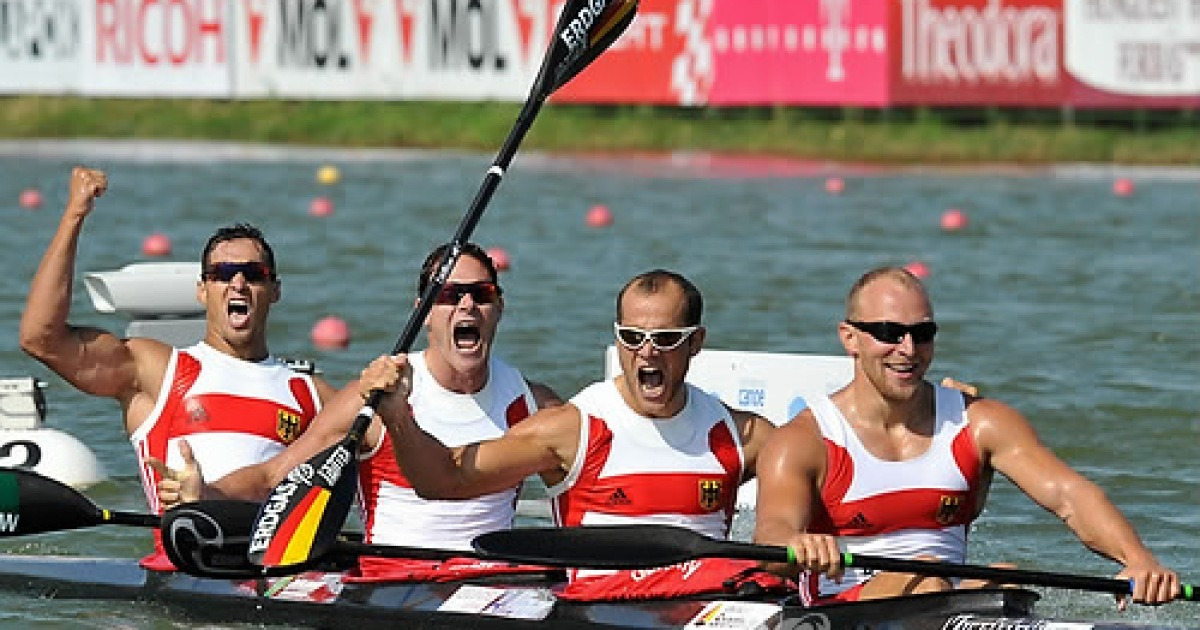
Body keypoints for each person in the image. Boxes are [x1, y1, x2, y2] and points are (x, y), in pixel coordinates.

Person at [752, 266, 1181, 608]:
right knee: (924, 573)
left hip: (944, 597)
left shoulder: (980, 422)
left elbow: (1069, 496)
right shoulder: (804, 440)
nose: (908, 349)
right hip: (841, 606)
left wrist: (1138, 560)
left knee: (1005, 578)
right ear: (849, 338)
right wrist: (797, 544)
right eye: (888, 333)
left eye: (923, 334)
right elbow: (771, 536)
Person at [363, 269, 789, 600]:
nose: (647, 352)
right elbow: (443, 479)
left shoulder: (742, 435)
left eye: (665, 339)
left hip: (707, 605)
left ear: (695, 343)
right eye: (633, 337)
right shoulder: (573, 427)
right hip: (600, 609)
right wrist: (399, 417)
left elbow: (824, 488)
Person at [158, 243, 562, 578]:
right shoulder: (370, 399)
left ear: (499, 306)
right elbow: (273, 478)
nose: (468, 306)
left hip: (492, 584)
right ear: (423, 313)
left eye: (482, 294)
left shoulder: (533, 406)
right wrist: (207, 495)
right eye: (449, 295)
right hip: (391, 585)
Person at [18, 167, 336, 570]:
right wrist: (74, 215)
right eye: (222, 274)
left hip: (283, 570)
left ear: (274, 291)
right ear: (203, 291)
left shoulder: (312, 393)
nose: (237, 283)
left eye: (253, 275)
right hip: (185, 568)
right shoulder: (158, 370)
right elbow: (39, 339)